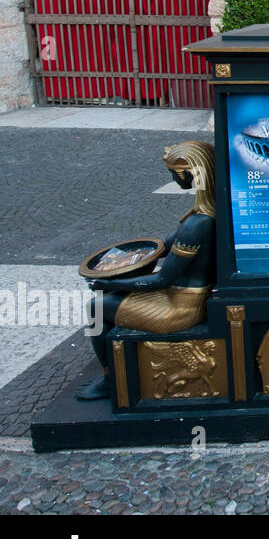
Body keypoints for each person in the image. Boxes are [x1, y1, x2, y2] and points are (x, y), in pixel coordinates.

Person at [76, 141, 217, 400]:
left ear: (190, 173)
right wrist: (125, 261)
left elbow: (163, 279)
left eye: (174, 173)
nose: (172, 178)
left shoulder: (198, 224)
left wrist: (108, 284)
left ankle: (110, 378)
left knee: (96, 308)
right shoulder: (198, 216)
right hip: (179, 294)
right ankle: (112, 372)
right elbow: (161, 248)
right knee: (104, 303)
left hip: (182, 307)